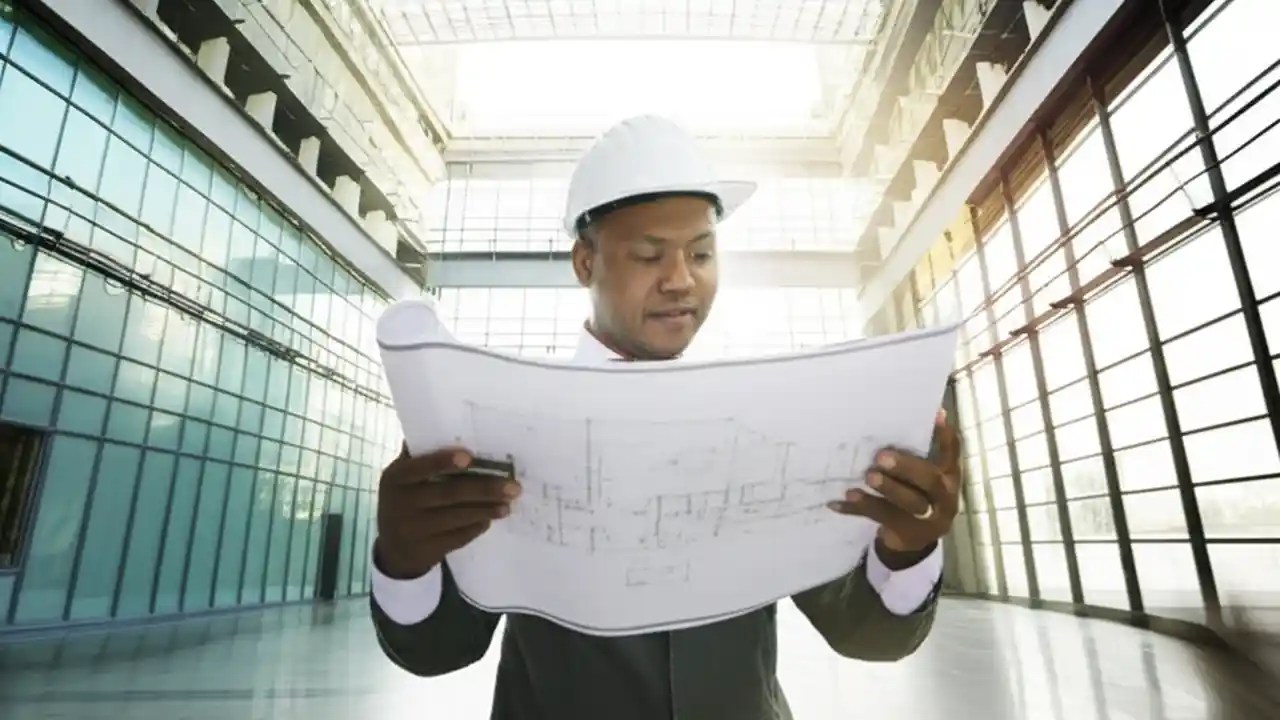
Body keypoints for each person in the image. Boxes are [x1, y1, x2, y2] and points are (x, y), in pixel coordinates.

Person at [369, 115, 963, 720]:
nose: (681, 280)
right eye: (650, 255)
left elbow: (865, 634)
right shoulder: (496, 427)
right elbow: (438, 648)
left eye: (701, 253)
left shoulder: (769, 420)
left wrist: (904, 550)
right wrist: (405, 559)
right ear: (584, 263)